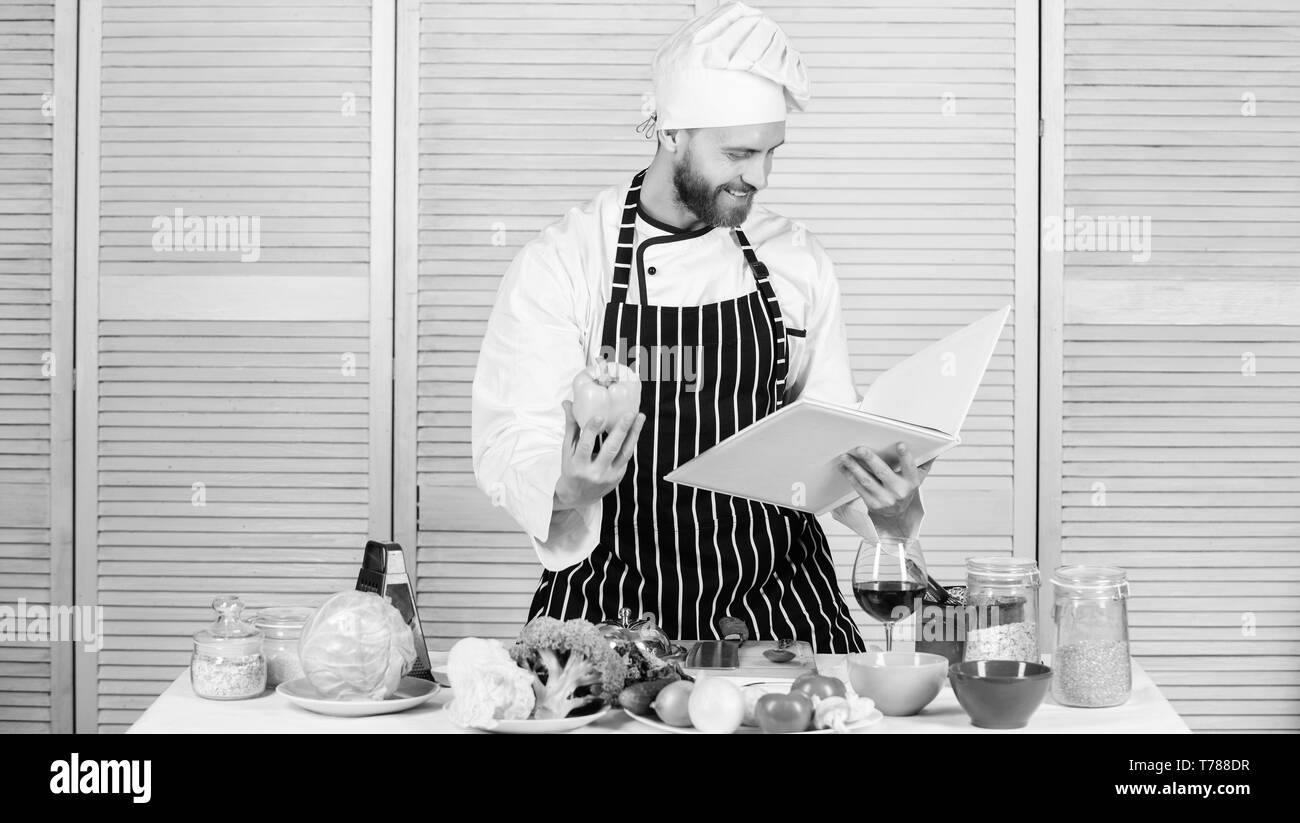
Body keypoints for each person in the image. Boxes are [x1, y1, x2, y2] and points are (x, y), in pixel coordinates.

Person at [472, 2, 930, 653]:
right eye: (739, 153)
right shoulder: (567, 261)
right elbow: (510, 434)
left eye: (772, 152)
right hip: (608, 606)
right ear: (670, 134)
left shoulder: (795, 262)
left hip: (780, 607)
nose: (760, 177)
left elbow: (829, 444)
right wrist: (567, 484)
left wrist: (892, 510)